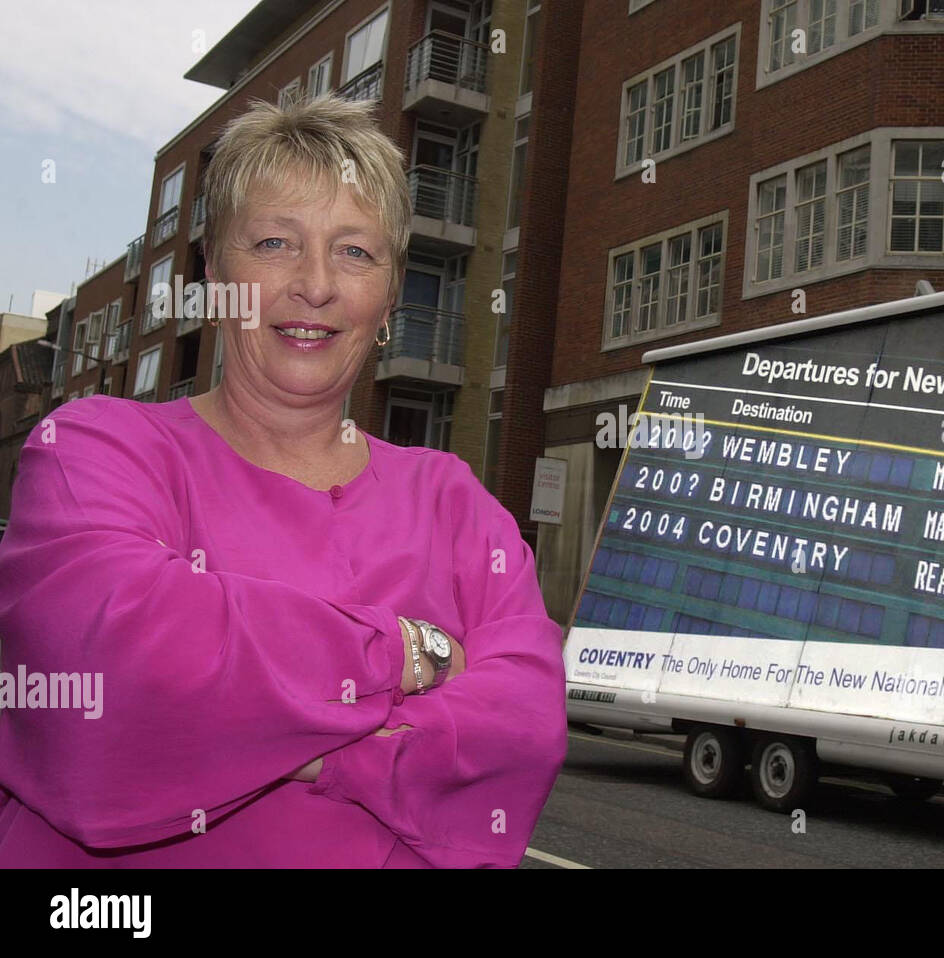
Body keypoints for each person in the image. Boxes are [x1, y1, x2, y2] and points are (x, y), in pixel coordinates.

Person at [0, 96, 567, 867]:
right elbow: (111, 676)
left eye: (356, 253)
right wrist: (410, 649)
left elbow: (521, 735)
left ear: (392, 291)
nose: (316, 285)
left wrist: (300, 746)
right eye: (274, 242)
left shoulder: (456, 502)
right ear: (213, 273)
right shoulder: (99, 449)